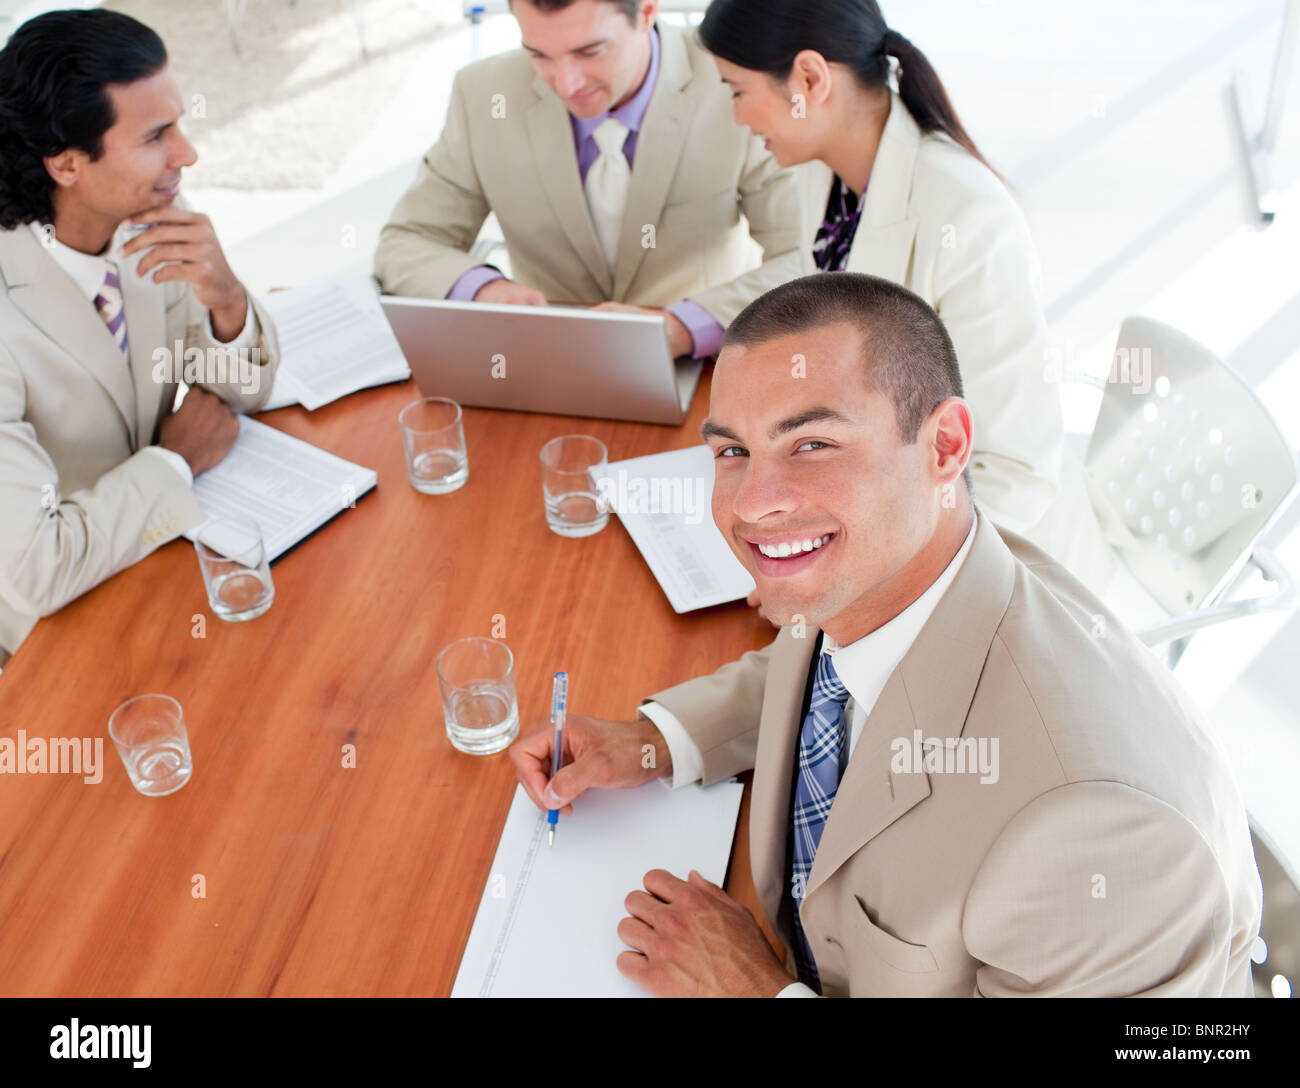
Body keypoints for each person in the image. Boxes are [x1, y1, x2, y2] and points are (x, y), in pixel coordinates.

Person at [510, 273, 1262, 997]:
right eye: (733, 451)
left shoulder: (1102, 836)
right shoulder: (893, 567)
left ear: (943, 447)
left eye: (812, 445)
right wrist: (653, 739)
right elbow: (811, 672)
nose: (754, 505)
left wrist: (757, 993)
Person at [697, 0, 1115, 594]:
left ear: (810, 80)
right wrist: (684, 322)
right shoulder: (829, 173)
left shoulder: (968, 219)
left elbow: (1018, 473)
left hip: (993, 570)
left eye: (736, 91)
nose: (737, 117)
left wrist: (868, 582)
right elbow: (807, 277)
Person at [0, 10, 280, 663]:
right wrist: (174, 461)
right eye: (158, 135)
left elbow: (233, 400)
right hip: (57, 630)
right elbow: (35, 570)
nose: (187, 154)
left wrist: (226, 300)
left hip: (157, 555)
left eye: (179, 124)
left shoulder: (145, 222)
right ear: (67, 163)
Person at [374, 0, 808, 361]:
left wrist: (685, 325)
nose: (566, 84)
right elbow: (405, 242)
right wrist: (483, 289)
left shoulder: (732, 80)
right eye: (539, 54)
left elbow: (809, 256)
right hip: (545, 362)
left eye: (590, 51)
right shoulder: (483, 94)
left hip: (704, 364)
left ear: (646, 12)